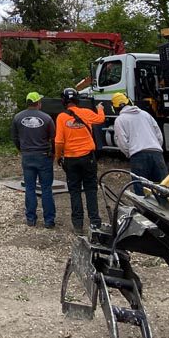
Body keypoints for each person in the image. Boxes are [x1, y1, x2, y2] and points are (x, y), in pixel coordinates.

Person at [54, 87, 106, 233]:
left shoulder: (61, 117)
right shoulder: (86, 113)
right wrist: (100, 108)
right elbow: (101, 119)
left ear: (63, 101)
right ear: (77, 99)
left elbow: (58, 142)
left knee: (74, 191)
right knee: (90, 189)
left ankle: (78, 224)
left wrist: (58, 158)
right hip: (88, 157)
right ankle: (95, 223)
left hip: (71, 159)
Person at [11, 92, 56, 228]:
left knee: (29, 188)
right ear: (38, 103)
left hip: (27, 156)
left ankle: (31, 219)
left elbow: (14, 138)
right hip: (43, 156)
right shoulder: (47, 118)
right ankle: (49, 221)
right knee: (46, 189)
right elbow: (53, 139)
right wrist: (53, 153)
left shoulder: (17, 117)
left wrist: (21, 149)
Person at [111, 92, 167, 195]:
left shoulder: (120, 120)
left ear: (114, 107)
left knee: (141, 191)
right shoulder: (145, 114)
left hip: (138, 156)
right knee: (163, 189)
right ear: (128, 101)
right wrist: (157, 147)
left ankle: (145, 211)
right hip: (157, 154)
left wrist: (130, 153)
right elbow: (158, 133)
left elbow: (122, 141)